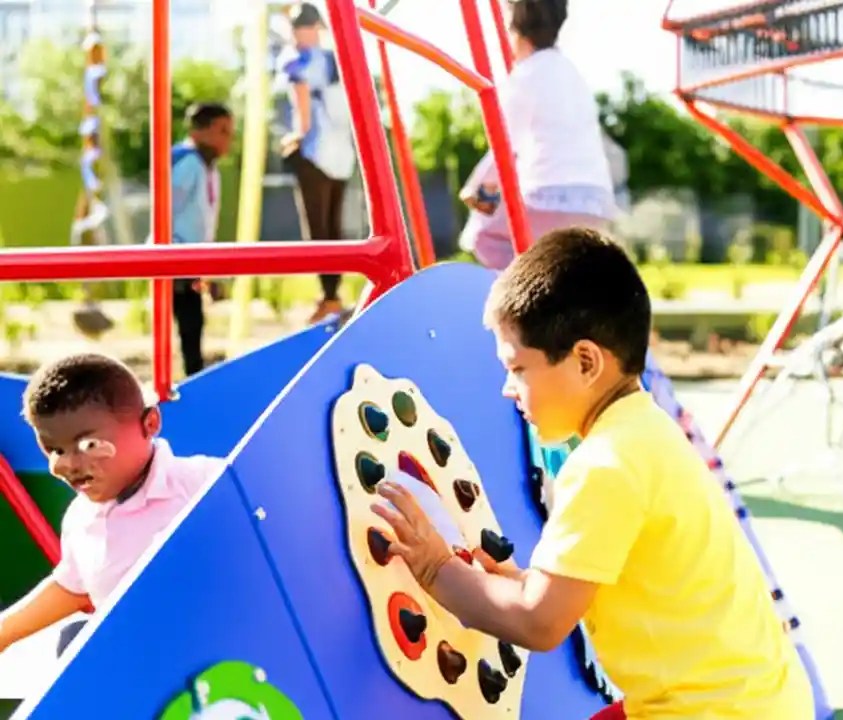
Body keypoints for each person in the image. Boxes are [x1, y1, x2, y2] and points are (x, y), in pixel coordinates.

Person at [371, 228, 814, 719]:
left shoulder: (604, 465)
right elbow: (559, 593)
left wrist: (436, 569)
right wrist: (520, 584)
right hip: (761, 702)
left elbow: (539, 623)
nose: (507, 389)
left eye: (518, 369)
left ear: (585, 361)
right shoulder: (646, 431)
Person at [0, 354, 224, 658]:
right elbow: (73, 587)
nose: (68, 464)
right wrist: (6, 631)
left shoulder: (204, 483)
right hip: (141, 663)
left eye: (88, 445)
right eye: (54, 450)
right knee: (73, 639)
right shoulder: (81, 519)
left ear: (150, 423)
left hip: (212, 650)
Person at [458, 0, 617, 271]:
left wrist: (476, 188)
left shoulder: (524, 77)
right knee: (561, 258)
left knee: (481, 232)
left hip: (551, 198)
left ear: (515, 31)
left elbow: (504, 146)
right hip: (597, 203)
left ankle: (523, 292)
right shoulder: (572, 72)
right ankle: (551, 285)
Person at [278, 1, 356, 323]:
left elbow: (302, 105)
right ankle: (332, 293)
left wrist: (298, 134)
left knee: (318, 227)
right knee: (333, 226)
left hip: (315, 151)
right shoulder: (336, 60)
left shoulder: (298, 61)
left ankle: (328, 295)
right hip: (343, 152)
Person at [171, 102, 235, 378]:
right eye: (222, 131)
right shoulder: (186, 163)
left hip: (193, 261)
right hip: (177, 259)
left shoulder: (209, 169)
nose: (227, 139)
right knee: (187, 323)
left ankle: (192, 376)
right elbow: (166, 210)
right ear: (201, 131)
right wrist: (173, 257)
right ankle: (186, 381)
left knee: (194, 324)